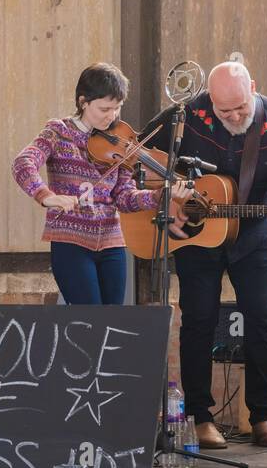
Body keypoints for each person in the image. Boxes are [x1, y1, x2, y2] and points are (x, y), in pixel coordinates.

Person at [147, 61, 267, 448]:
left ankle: (263, 417)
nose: (234, 116)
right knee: (198, 320)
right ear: (210, 100)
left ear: (253, 87)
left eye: (241, 108)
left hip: (255, 234)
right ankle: (200, 418)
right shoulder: (186, 116)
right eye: (224, 111)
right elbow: (141, 158)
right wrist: (169, 201)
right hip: (195, 234)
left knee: (262, 320)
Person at [12, 61, 191, 304]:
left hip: (112, 242)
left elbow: (125, 198)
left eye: (117, 108)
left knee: (113, 319)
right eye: (104, 109)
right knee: (89, 318)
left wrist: (157, 196)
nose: (112, 116)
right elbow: (23, 163)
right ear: (83, 102)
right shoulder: (59, 132)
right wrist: (46, 195)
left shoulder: (121, 142)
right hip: (71, 242)